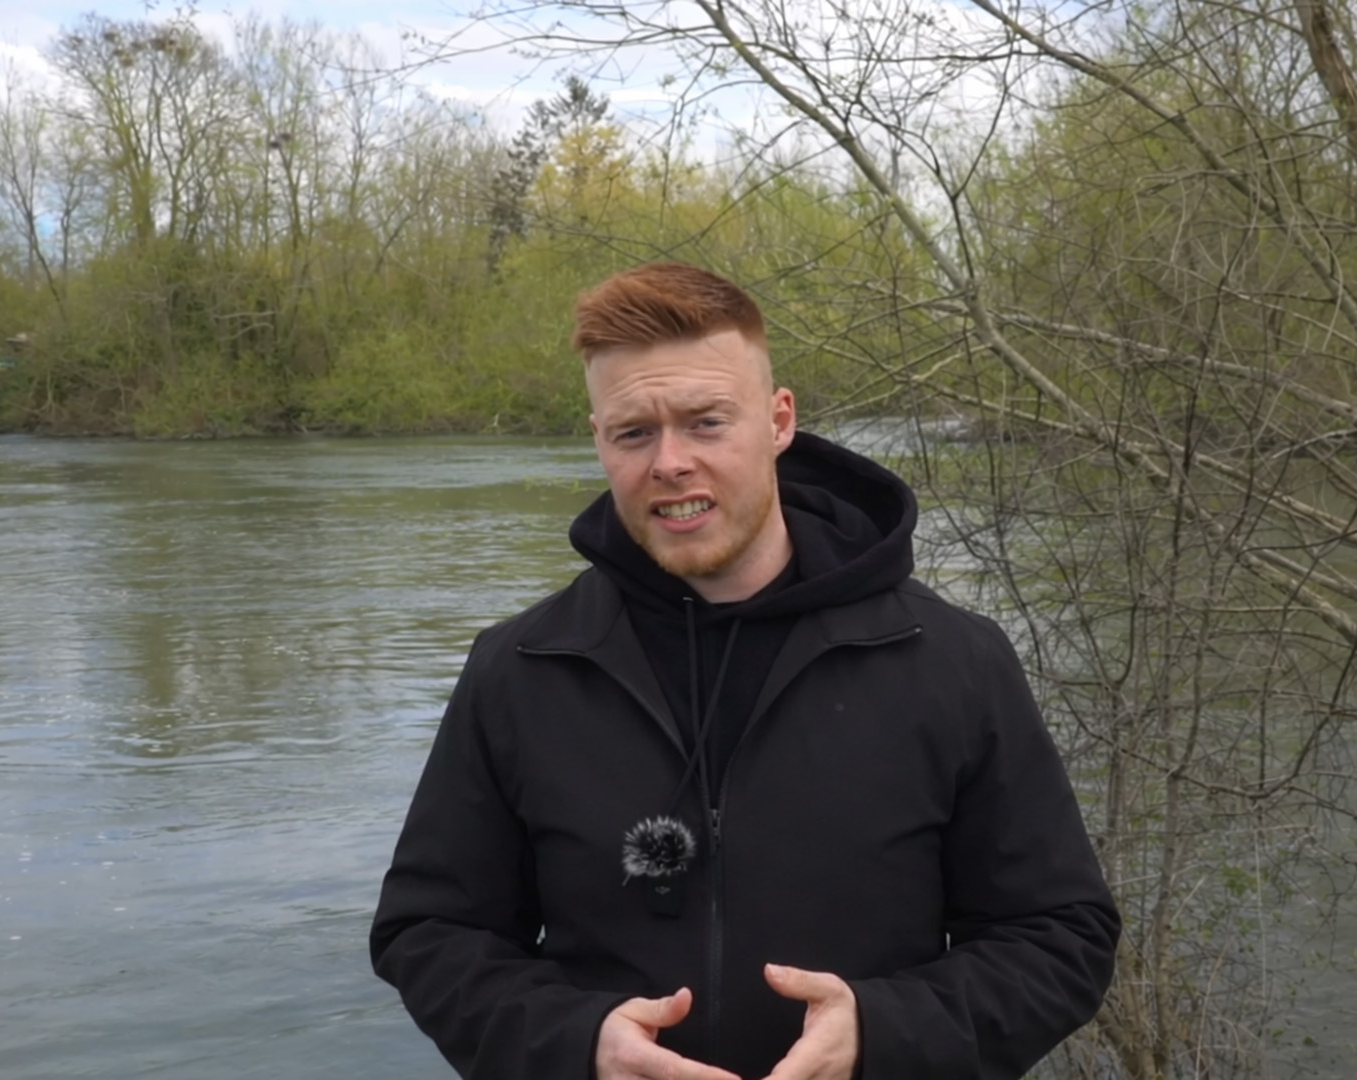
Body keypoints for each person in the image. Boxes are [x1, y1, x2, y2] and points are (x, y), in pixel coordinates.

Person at [370, 263, 1119, 1080]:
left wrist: (884, 1033)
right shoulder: (520, 668)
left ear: (778, 420)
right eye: (634, 433)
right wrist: (577, 1044)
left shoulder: (949, 659)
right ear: (599, 441)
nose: (670, 463)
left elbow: (1060, 937)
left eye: (706, 422)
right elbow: (430, 934)